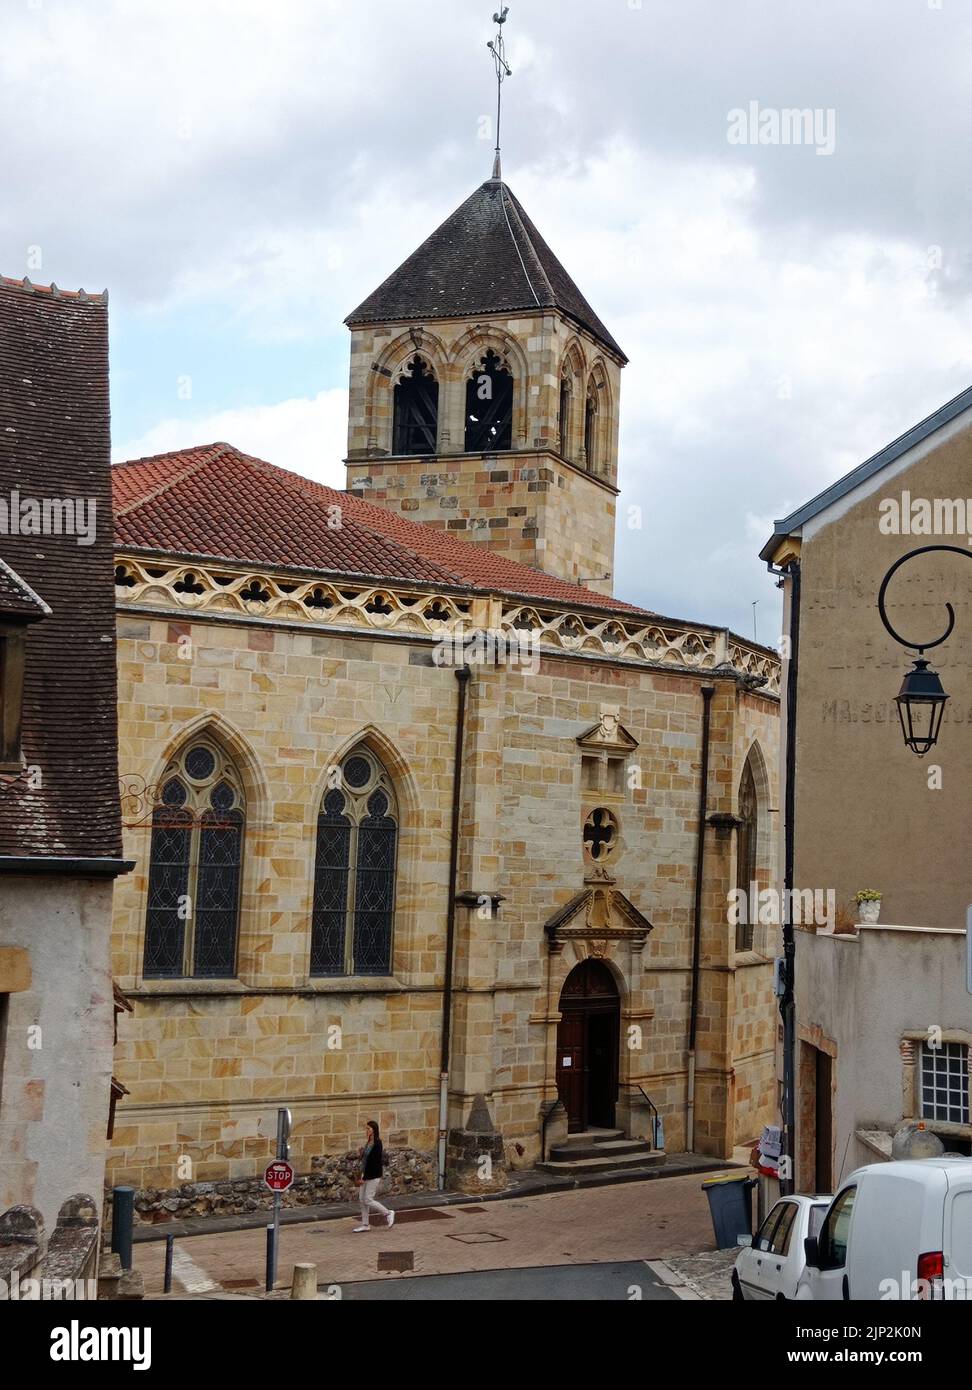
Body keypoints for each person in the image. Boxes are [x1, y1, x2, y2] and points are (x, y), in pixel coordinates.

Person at [353, 1119, 394, 1232]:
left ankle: (388, 1213)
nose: (366, 1130)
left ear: (374, 1130)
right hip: (365, 1174)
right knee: (362, 1199)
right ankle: (365, 1224)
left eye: (368, 1129)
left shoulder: (377, 1143)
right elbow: (366, 1160)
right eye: (366, 1128)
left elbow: (374, 1162)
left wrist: (364, 1178)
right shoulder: (368, 1143)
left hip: (373, 1175)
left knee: (368, 1199)